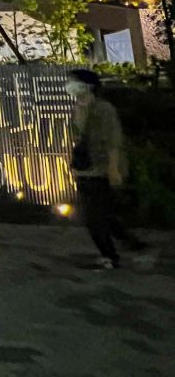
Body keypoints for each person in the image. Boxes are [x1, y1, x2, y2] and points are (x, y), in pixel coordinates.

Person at [67, 68, 145, 270]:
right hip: (85, 168)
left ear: (88, 86)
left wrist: (113, 168)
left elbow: (113, 141)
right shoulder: (78, 109)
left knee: (95, 218)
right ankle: (130, 242)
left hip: (101, 169)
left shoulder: (103, 109)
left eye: (74, 82)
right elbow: (78, 139)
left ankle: (109, 257)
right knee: (104, 214)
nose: (70, 86)